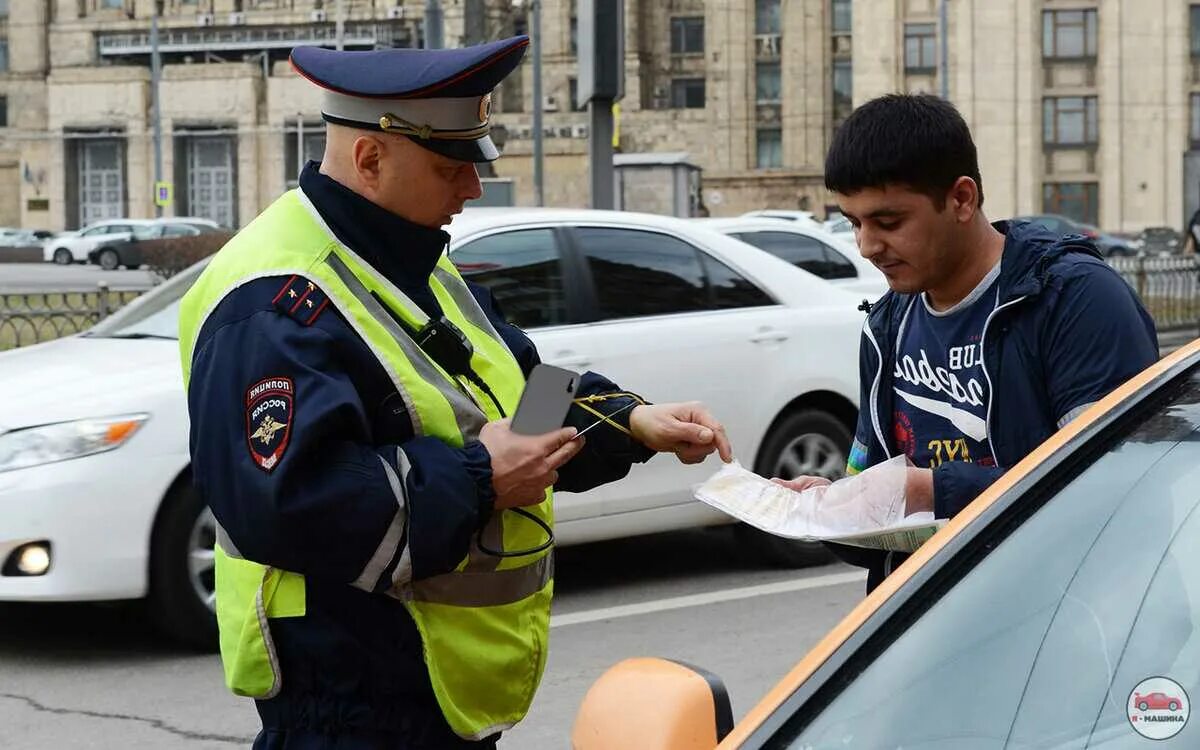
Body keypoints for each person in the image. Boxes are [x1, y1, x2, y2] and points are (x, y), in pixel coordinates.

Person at [178, 36, 732, 749]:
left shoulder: (410, 258)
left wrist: (630, 422)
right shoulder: (275, 297)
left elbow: (515, 394)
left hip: (434, 701)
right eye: (450, 168)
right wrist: (482, 479)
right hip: (350, 709)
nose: (472, 191)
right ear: (370, 160)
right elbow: (286, 503)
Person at [774, 94, 1159, 593]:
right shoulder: (887, 324)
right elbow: (874, 493)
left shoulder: (1074, 298)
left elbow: (1113, 483)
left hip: (1064, 624)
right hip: (929, 622)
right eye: (854, 222)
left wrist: (930, 491)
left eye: (888, 222)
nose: (867, 246)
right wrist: (828, 508)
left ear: (961, 199)